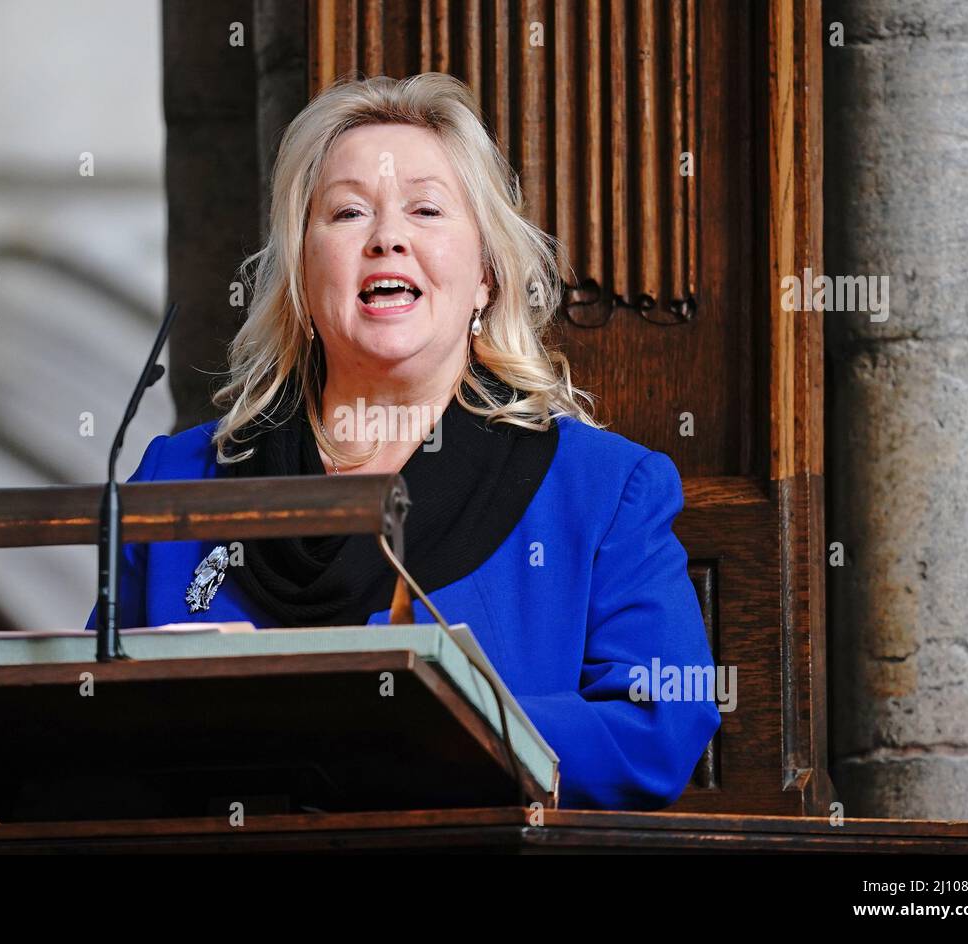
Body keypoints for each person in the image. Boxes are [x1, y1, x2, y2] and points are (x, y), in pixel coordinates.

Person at [87, 72, 720, 810]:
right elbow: (85, 709)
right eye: (348, 212)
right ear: (300, 270)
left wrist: (422, 728)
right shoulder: (178, 479)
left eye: (426, 209)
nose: (388, 237)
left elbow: (656, 726)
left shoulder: (604, 490)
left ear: (485, 274)